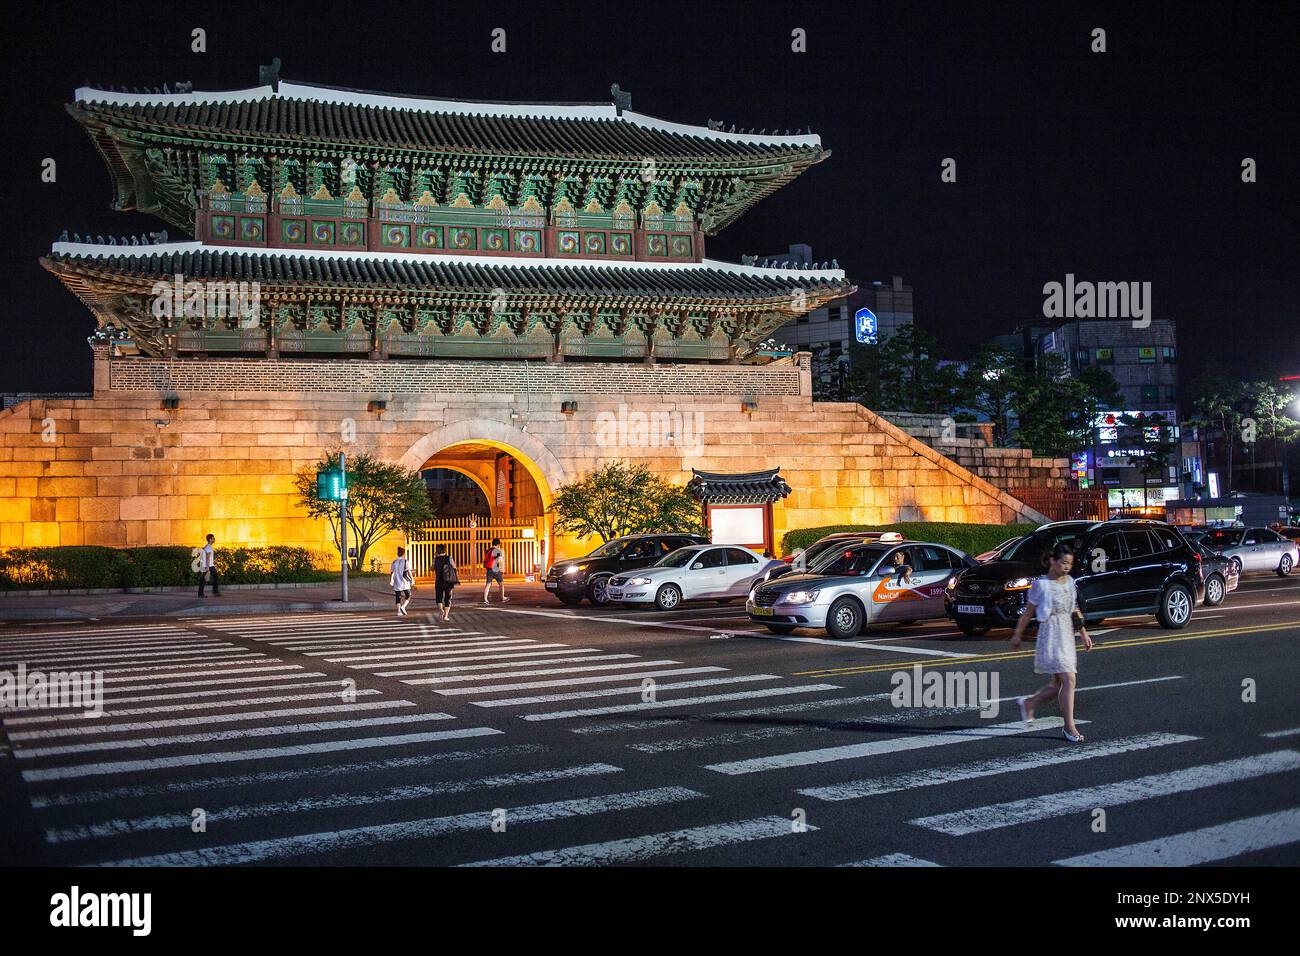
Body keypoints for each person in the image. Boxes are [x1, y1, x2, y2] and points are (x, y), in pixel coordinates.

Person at [1010, 542, 1093, 742]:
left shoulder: (1069, 582)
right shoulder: (1041, 585)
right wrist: (1018, 634)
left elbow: (1074, 609)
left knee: (1057, 684)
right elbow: (1028, 612)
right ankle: (1069, 727)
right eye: (1063, 563)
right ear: (1053, 561)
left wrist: (1083, 633)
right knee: (1069, 679)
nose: (1066, 567)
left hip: (1066, 634)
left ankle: (1029, 703)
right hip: (1050, 634)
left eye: (1069, 564)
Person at [433, 544, 458, 623]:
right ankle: (446, 616)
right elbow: (454, 567)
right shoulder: (449, 557)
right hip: (448, 581)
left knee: (439, 598)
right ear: (444, 550)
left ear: (437, 550)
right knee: (448, 599)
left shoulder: (435, 559)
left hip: (439, 581)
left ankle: (441, 610)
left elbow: (432, 568)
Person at [482, 537, 508, 604]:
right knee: (501, 584)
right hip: (496, 569)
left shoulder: (488, 550)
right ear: (498, 544)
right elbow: (500, 560)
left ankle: (485, 599)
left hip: (489, 570)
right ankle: (502, 597)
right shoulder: (497, 550)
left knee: (488, 584)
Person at [390, 546, 413, 616]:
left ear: (397, 553)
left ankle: (398, 611)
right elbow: (408, 571)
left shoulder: (394, 562)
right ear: (403, 554)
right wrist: (412, 579)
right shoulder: (406, 561)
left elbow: (392, 572)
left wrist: (391, 580)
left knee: (398, 596)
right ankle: (403, 607)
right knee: (408, 595)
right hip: (404, 581)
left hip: (397, 581)